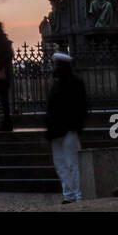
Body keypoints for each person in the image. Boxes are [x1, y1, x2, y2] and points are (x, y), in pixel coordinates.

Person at [44, 52, 87, 203]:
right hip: (58, 130)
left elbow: (81, 107)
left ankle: (77, 194)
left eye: (56, 65)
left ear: (62, 66)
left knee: (71, 163)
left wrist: (75, 126)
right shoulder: (62, 83)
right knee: (61, 164)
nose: (54, 68)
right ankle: (69, 194)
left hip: (68, 128)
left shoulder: (74, 83)